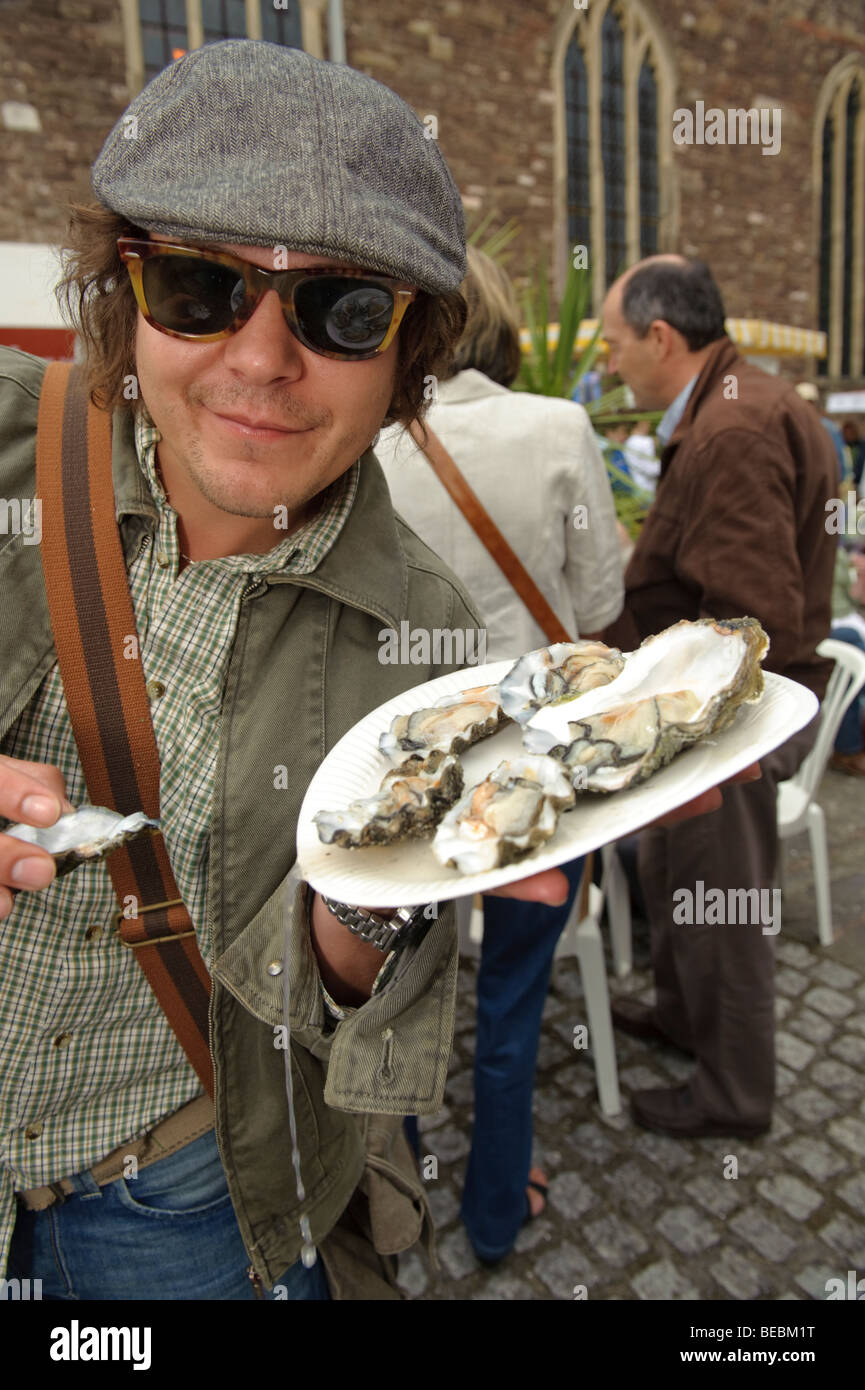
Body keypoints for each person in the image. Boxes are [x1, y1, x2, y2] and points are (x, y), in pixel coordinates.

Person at [0, 39, 574, 1302]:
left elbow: (344, 998)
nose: (261, 361)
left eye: (340, 309)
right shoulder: (6, 437)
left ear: (405, 353)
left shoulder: (422, 635)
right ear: (125, 291)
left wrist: (375, 904)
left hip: (178, 1202)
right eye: (201, 286)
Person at [375, 247, 624, 1261]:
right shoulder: (557, 426)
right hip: (534, 771)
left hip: (411, 771)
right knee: (514, 1004)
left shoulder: (372, 440)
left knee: (387, 996)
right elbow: (601, 603)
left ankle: (390, 1199)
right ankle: (492, 1208)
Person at [602, 255, 837, 1139]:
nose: (609, 362)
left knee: (724, 899)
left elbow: (750, 614)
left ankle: (733, 1096)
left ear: (661, 337)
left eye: (615, 343)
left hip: (730, 718)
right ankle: (679, 1017)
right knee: (679, 874)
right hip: (710, 708)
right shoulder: (734, 402)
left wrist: (690, 719)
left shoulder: (731, 428)